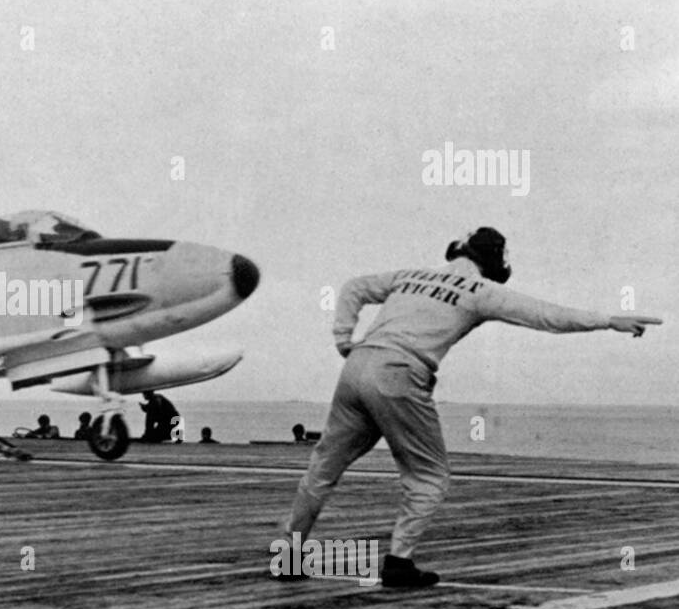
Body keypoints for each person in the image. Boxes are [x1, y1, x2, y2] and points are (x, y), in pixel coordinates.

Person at [279, 227, 661, 587]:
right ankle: (398, 563)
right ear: (494, 262)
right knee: (428, 477)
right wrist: (609, 320)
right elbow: (546, 315)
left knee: (323, 465)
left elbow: (354, 287)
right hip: (400, 372)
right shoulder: (480, 290)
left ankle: (290, 556)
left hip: (357, 366)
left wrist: (344, 338)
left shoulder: (409, 276)